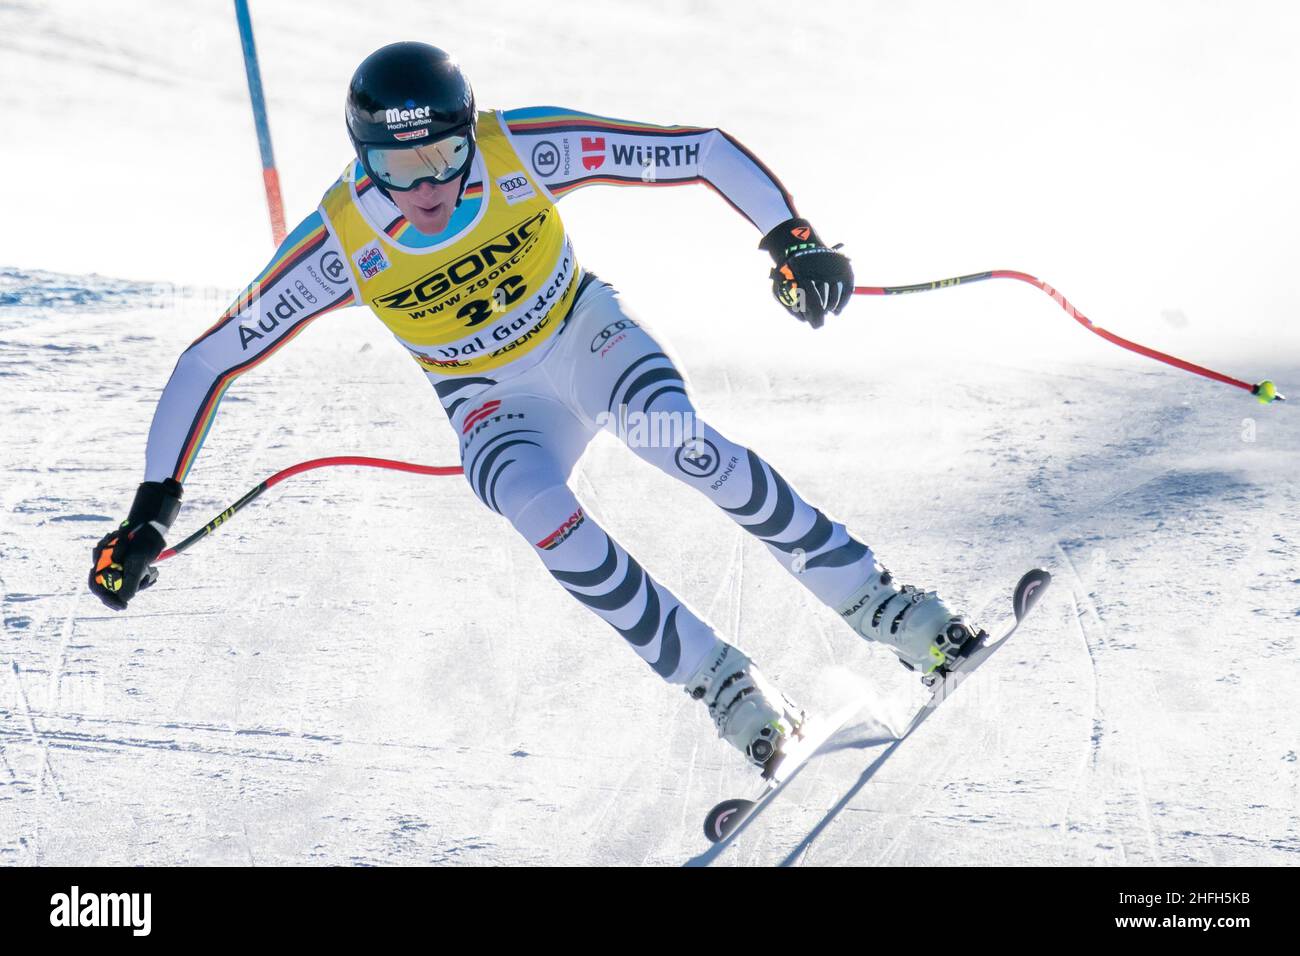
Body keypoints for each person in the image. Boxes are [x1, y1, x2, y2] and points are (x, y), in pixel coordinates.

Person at [89, 41, 982, 773]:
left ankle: (889, 611)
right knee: (538, 511)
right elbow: (211, 358)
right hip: (487, 403)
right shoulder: (340, 242)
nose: (428, 182)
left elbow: (699, 148)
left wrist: (791, 240)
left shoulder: (524, 147)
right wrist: (149, 516)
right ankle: (726, 686)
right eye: (398, 165)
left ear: (470, 130)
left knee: (678, 445)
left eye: (443, 152)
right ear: (363, 161)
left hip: (586, 337)